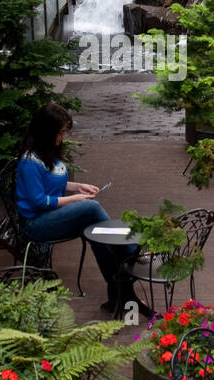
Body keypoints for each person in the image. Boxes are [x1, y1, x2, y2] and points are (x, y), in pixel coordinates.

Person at [15, 102, 144, 313]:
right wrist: (75, 199)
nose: (63, 137)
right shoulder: (29, 162)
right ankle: (130, 251)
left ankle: (118, 288)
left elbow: (52, 184)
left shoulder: (48, 152)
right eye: (61, 132)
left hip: (52, 216)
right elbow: (39, 201)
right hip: (36, 224)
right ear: (47, 132)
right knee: (91, 208)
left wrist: (78, 186)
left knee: (95, 230)